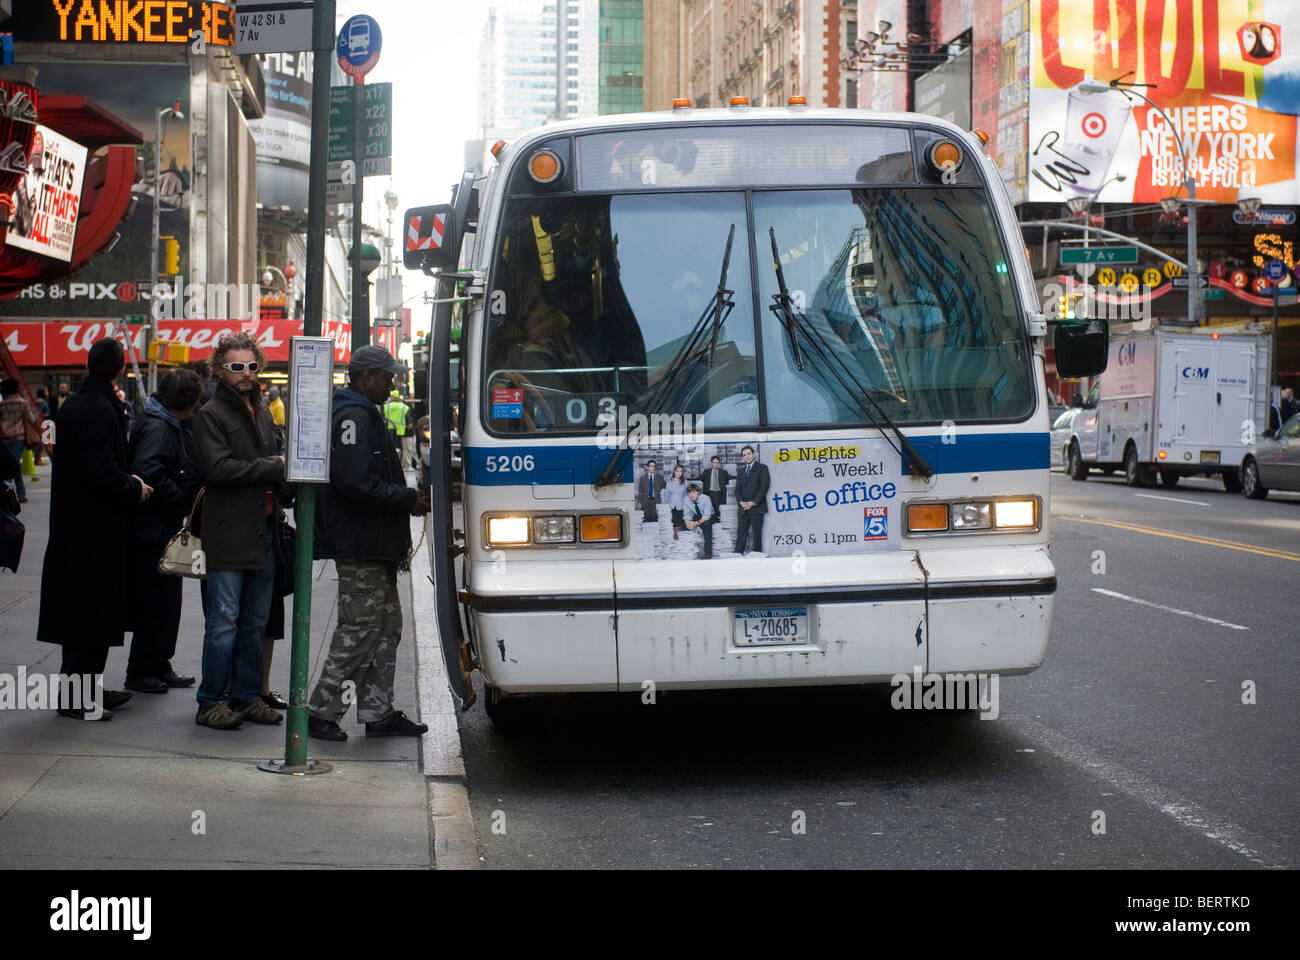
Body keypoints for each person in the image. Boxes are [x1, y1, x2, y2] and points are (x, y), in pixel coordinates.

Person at [307, 345, 431, 741]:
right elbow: (355, 481)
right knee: (359, 627)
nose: (394, 384)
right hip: (360, 541)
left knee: (385, 626)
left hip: (373, 542)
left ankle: (378, 711)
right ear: (367, 378)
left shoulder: (364, 412)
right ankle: (320, 710)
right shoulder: (354, 415)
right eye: (388, 377)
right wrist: (406, 498)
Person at [37, 339, 154, 720]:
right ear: (120, 369)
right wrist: (134, 487)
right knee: (91, 618)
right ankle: (78, 700)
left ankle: (86, 690)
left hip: (76, 529)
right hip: (95, 533)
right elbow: (100, 471)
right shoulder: (102, 411)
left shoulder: (74, 406)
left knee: (81, 618)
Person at [191, 333, 286, 730]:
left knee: (254, 621)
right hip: (229, 532)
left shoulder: (262, 410)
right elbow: (219, 470)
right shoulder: (210, 414)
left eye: (251, 366)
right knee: (224, 621)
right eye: (236, 367)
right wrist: (274, 466)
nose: (245, 374)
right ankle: (210, 700)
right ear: (219, 370)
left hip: (263, 529)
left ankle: (246, 696)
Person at [124, 369, 205, 694]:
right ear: (186, 402)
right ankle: (143, 668)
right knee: (156, 600)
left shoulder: (160, 420)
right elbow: (149, 472)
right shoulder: (160, 427)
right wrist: (180, 499)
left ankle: (158, 663)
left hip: (155, 525)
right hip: (152, 528)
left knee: (165, 599)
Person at [0, 380, 36, 503]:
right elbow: (32, 418)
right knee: (15, 465)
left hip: (5, 438)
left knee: (14, 465)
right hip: (19, 437)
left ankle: (21, 493)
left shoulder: (2, 405)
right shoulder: (23, 403)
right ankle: (6, 488)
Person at [733, 444, 770, 555]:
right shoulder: (741, 471)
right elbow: (737, 490)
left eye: (749, 454)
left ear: (753, 454)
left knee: (757, 534)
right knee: (741, 533)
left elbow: (764, 487)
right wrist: (741, 502)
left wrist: (753, 502)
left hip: (757, 507)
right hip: (743, 508)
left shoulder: (762, 468)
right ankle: (738, 555)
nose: (747, 456)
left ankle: (757, 556)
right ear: (743, 457)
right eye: (744, 455)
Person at [382, 389, 414, 468]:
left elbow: (382, 420)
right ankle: (404, 466)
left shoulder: (385, 407)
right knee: (402, 450)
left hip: (389, 432)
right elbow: (410, 424)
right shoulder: (405, 407)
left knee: (390, 450)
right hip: (402, 432)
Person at [697, 454, 731, 525]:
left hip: (720, 492)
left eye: (717, 462)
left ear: (719, 463)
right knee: (714, 499)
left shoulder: (723, 472)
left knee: (718, 502)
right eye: (714, 462)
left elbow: (729, 479)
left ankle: (717, 519)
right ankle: (715, 518)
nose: (716, 464)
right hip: (710, 492)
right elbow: (700, 478)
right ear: (711, 463)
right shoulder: (707, 472)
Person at [683, 484, 715, 558]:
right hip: (696, 515)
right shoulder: (686, 500)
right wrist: (687, 523)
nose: (691, 495)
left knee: (707, 525)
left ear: (698, 492)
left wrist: (694, 523)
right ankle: (688, 550)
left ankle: (708, 552)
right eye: (689, 493)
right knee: (684, 525)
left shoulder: (706, 498)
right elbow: (687, 514)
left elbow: (707, 515)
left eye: (693, 492)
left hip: (709, 516)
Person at [635, 459, 664, 524]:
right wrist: (639, 502)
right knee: (645, 519)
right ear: (647, 467)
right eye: (651, 466)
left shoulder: (659, 477)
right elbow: (640, 491)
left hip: (655, 501)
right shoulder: (642, 478)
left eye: (654, 466)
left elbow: (664, 487)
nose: (653, 468)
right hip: (645, 501)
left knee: (655, 519)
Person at [664, 463, 687, 540]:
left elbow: (686, 495)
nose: (678, 473)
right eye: (677, 471)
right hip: (672, 506)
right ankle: (675, 539)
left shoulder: (685, 482)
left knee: (680, 523)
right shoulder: (669, 482)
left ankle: (680, 540)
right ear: (674, 472)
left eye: (680, 471)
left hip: (681, 506)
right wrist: (666, 507)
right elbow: (667, 495)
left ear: (682, 473)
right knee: (674, 523)